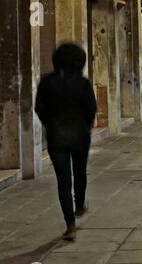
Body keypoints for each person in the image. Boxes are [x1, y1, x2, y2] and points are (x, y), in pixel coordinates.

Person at [34, 42, 97, 240]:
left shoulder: (46, 82)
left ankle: (70, 225)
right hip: (80, 136)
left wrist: (51, 125)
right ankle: (79, 205)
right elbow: (91, 108)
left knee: (63, 181)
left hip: (56, 137)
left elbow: (39, 108)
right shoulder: (83, 83)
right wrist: (85, 126)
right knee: (79, 172)